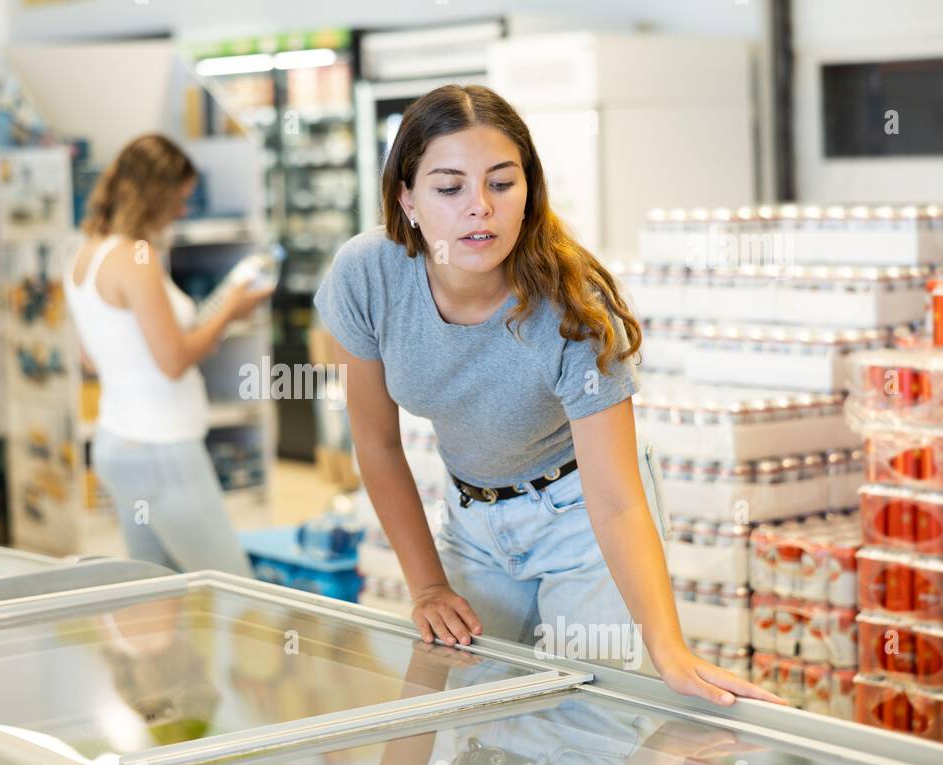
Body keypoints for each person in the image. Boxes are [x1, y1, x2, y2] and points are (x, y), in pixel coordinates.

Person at [314, 85, 784, 708]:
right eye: (449, 188)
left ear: (529, 190)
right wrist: (427, 585)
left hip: (581, 518)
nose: (479, 208)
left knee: (590, 716)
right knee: (470, 718)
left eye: (501, 184)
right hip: (472, 517)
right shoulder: (367, 274)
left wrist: (668, 651)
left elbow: (616, 501)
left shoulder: (572, 305)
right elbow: (375, 442)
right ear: (408, 198)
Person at [65, 134, 272, 575]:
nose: (181, 211)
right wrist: (230, 310)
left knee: (156, 591)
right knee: (232, 589)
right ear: (153, 195)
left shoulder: (83, 256)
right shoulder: (135, 259)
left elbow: (89, 357)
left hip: (116, 443)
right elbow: (174, 360)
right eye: (178, 199)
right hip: (162, 449)